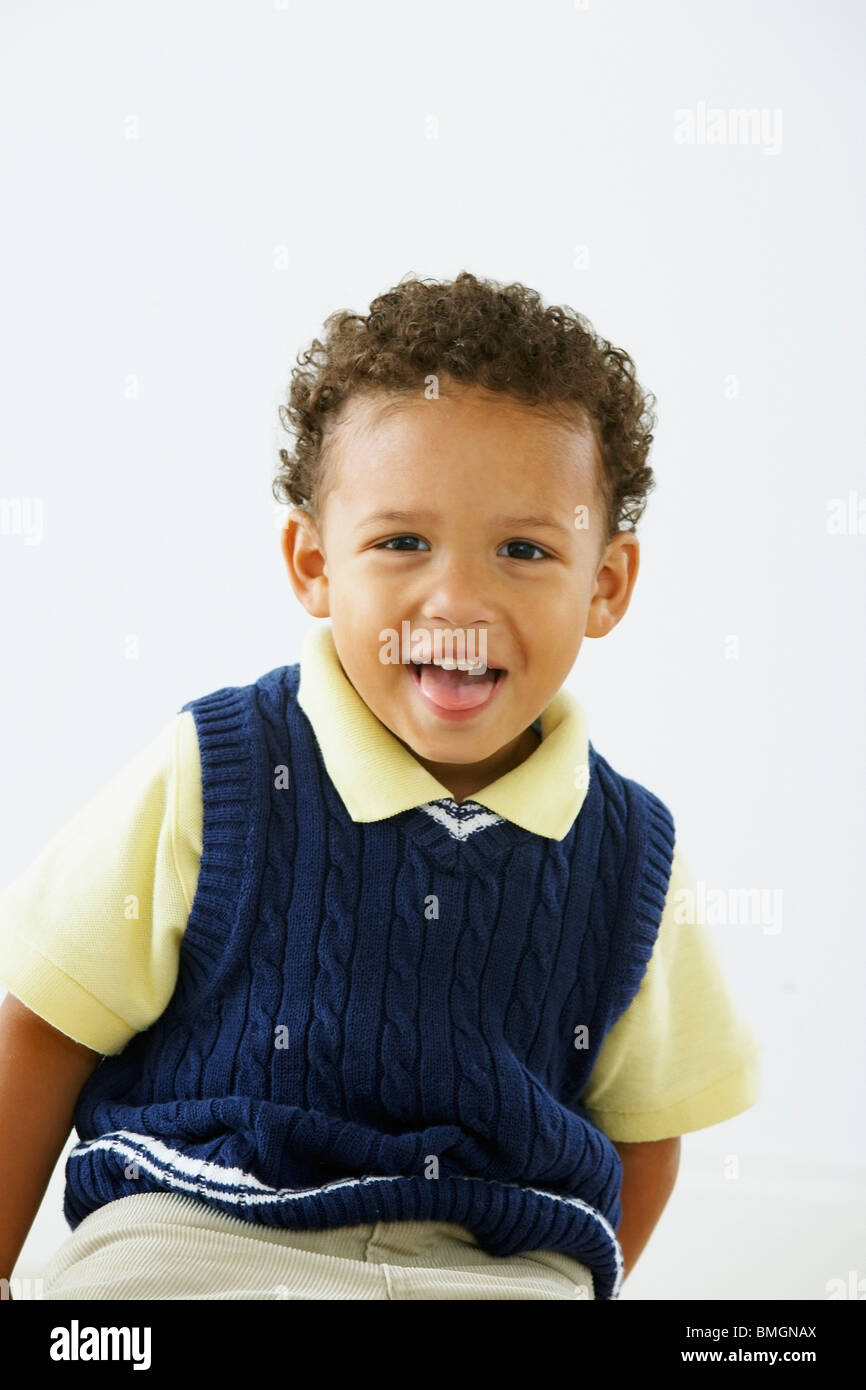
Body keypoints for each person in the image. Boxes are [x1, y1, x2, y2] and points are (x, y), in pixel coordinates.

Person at [0, 270, 759, 1301]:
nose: (456, 596)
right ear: (313, 563)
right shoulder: (218, 768)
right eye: (401, 541)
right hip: (205, 1234)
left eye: (524, 549)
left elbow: (644, 1127)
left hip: (486, 1266)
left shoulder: (628, 851)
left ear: (605, 585)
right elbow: (45, 1024)